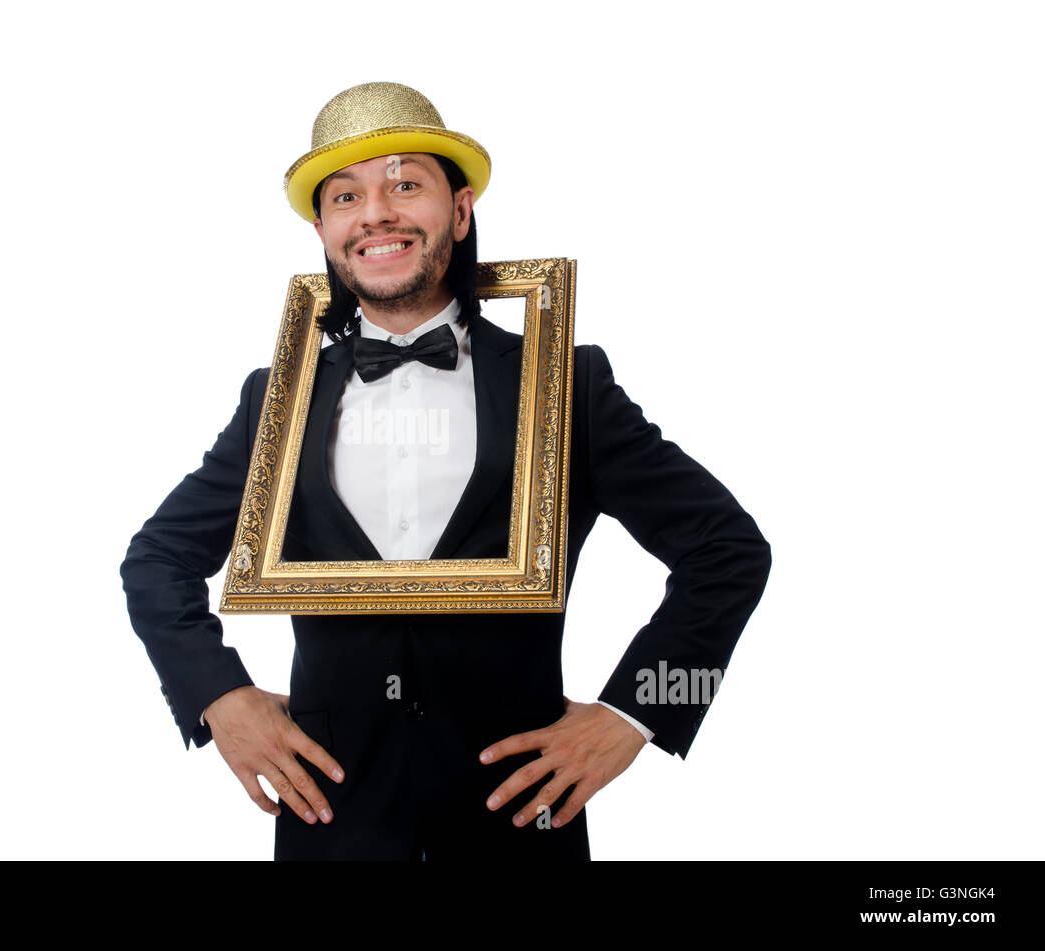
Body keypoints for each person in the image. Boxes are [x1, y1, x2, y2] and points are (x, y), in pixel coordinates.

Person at [120, 81, 772, 860]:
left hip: (522, 824)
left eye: (405, 184)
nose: (375, 214)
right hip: (332, 824)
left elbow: (729, 550)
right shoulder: (277, 399)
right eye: (344, 196)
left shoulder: (568, 384)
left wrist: (637, 715)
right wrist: (217, 697)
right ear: (326, 231)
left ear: (459, 212)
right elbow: (155, 559)